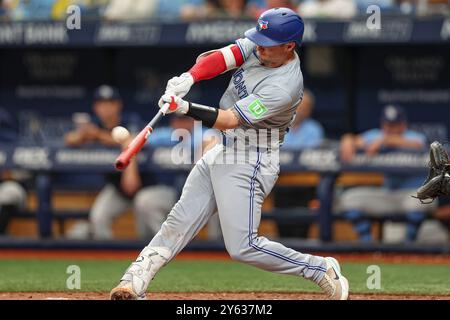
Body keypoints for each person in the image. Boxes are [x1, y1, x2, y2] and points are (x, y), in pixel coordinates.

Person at [110, 8, 349, 300]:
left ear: (289, 46)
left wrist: (185, 108)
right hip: (223, 148)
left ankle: (319, 268)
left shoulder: (284, 86)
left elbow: (230, 119)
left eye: (268, 42)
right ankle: (135, 281)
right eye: (258, 38)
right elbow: (223, 58)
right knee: (178, 221)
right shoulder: (261, 45)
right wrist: (189, 77)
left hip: (251, 157)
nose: (259, 45)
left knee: (243, 247)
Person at [64, 85, 176, 240]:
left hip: (147, 185)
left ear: (118, 105)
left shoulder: (131, 121)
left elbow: (131, 140)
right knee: (98, 217)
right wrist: (83, 135)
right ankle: (107, 260)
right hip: (119, 189)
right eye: (102, 103)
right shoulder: (95, 124)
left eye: (110, 103)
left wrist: (97, 134)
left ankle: (165, 250)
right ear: (96, 107)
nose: (106, 108)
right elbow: (70, 139)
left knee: (146, 229)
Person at [338, 105, 435, 242]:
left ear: (403, 124)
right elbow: (355, 140)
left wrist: (386, 140)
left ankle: (409, 247)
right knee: (349, 199)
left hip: (412, 194)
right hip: (388, 194)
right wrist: (347, 140)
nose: (390, 129)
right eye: (387, 124)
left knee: (420, 201)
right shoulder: (377, 135)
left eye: (394, 125)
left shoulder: (414, 137)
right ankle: (368, 246)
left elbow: (418, 145)